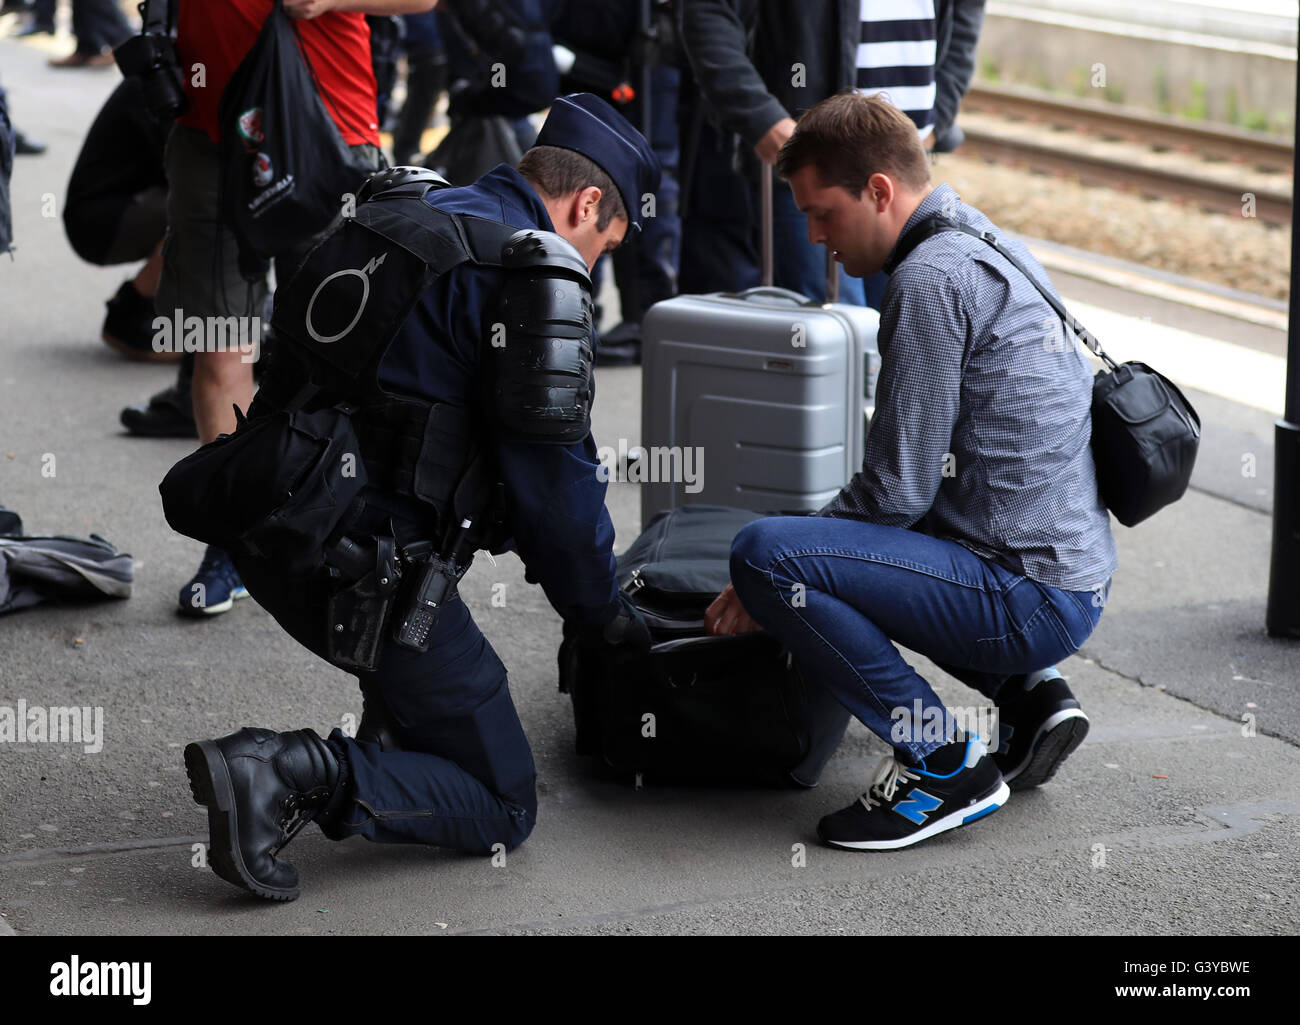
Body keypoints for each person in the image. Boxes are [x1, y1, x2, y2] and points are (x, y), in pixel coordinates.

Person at [182, 93, 661, 901]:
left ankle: (396, 723)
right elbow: (559, 500)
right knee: (505, 801)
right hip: (363, 580)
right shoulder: (529, 279)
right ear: (585, 204)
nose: (594, 266)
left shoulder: (402, 210)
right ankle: (282, 770)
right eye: (604, 246)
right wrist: (603, 615)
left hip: (268, 524)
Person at [705, 92, 1116, 851]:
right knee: (843, 550)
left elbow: (896, 491)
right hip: (1068, 572)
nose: (815, 236)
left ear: (880, 191)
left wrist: (768, 574)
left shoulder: (927, 280)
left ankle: (940, 761)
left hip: (1026, 594)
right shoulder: (984, 237)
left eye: (823, 212)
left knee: (768, 554)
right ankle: (1029, 697)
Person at [147, 0, 432, 617]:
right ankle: (231, 543)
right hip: (209, 141)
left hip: (324, 134)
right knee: (219, 344)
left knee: (343, 356)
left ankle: (348, 535)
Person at [678, 0, 985, 307]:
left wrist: (936, 119)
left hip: (908, 167)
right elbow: (708, 12)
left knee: (904, 315)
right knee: (835, 325)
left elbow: (965, 15)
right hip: (811, 167)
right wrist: (761, 117)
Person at [64, 76, 171, 360]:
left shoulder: (175, 60)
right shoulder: (167, 75)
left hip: (114, 210)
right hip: (101, 223)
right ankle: (132, 317)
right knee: (212, 207)